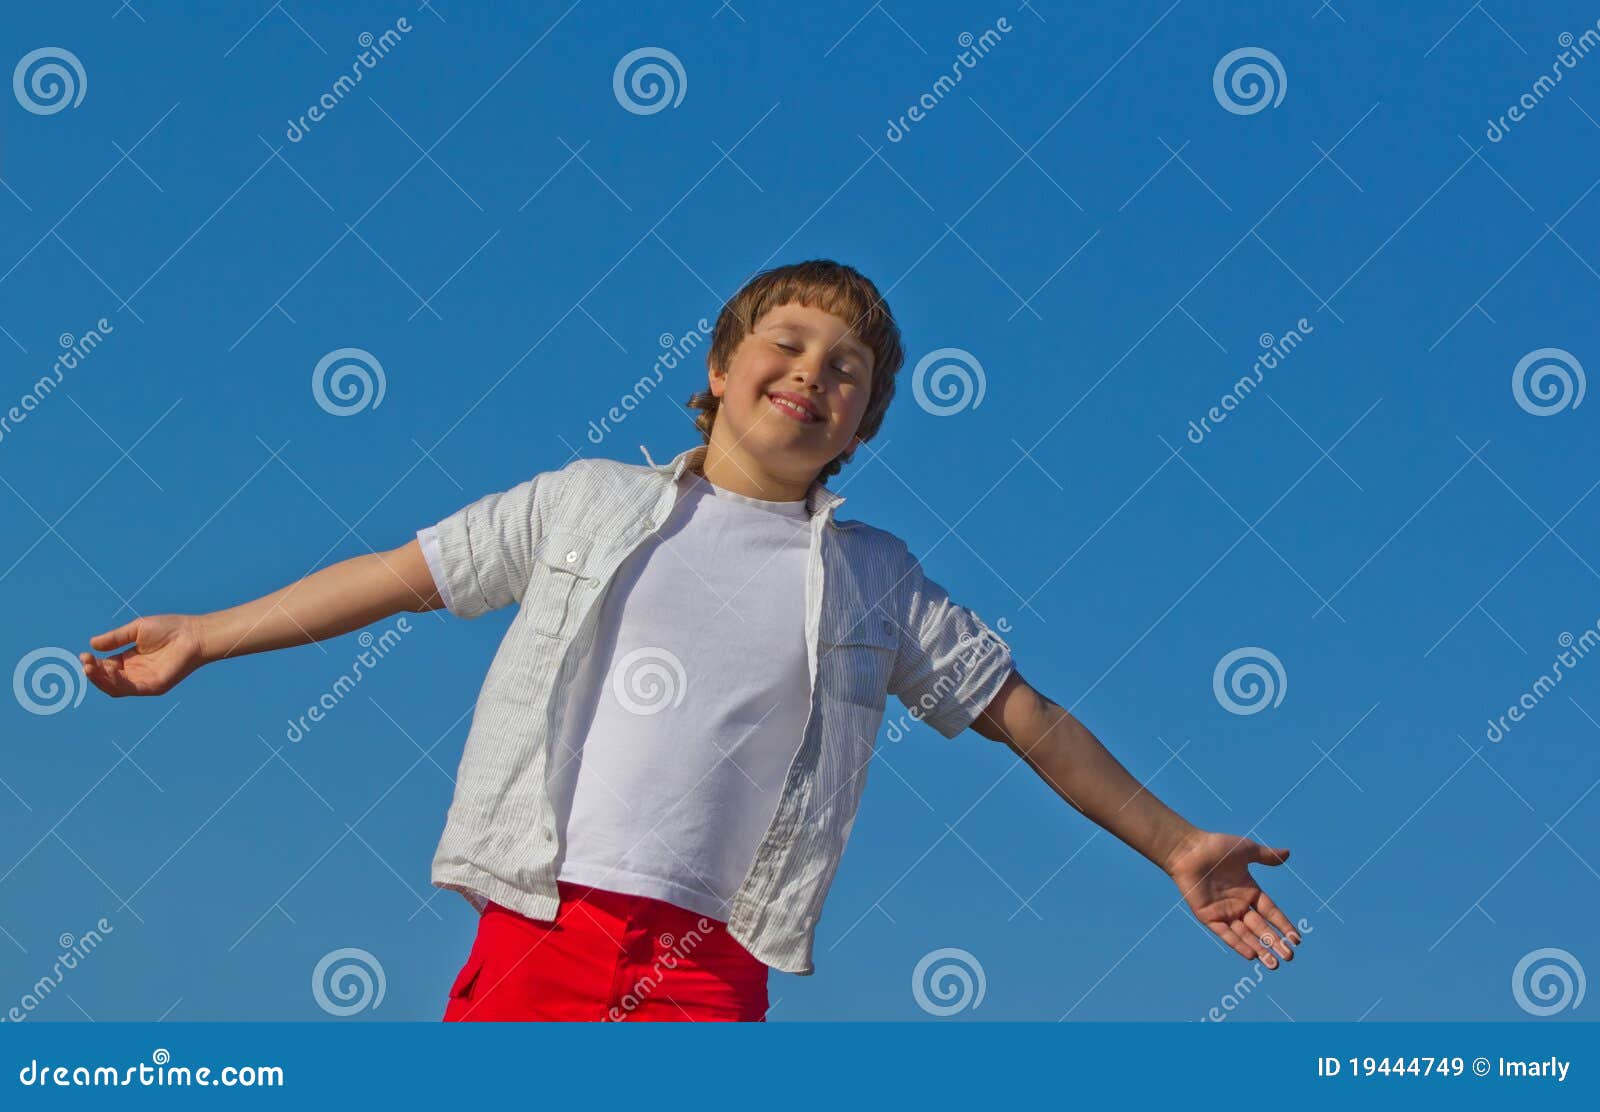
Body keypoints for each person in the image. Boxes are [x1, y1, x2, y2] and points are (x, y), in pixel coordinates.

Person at [80, 259, 1302, 1021]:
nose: (812, 372)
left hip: (714, 957)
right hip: (542, 924)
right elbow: (402, 577)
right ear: (719, 368)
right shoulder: (582, 500)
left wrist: (1176, 842)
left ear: (861, 428)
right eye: (788, 343)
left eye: (848, 371)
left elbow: (1022, 715)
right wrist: (207, 634)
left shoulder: (877, 579)